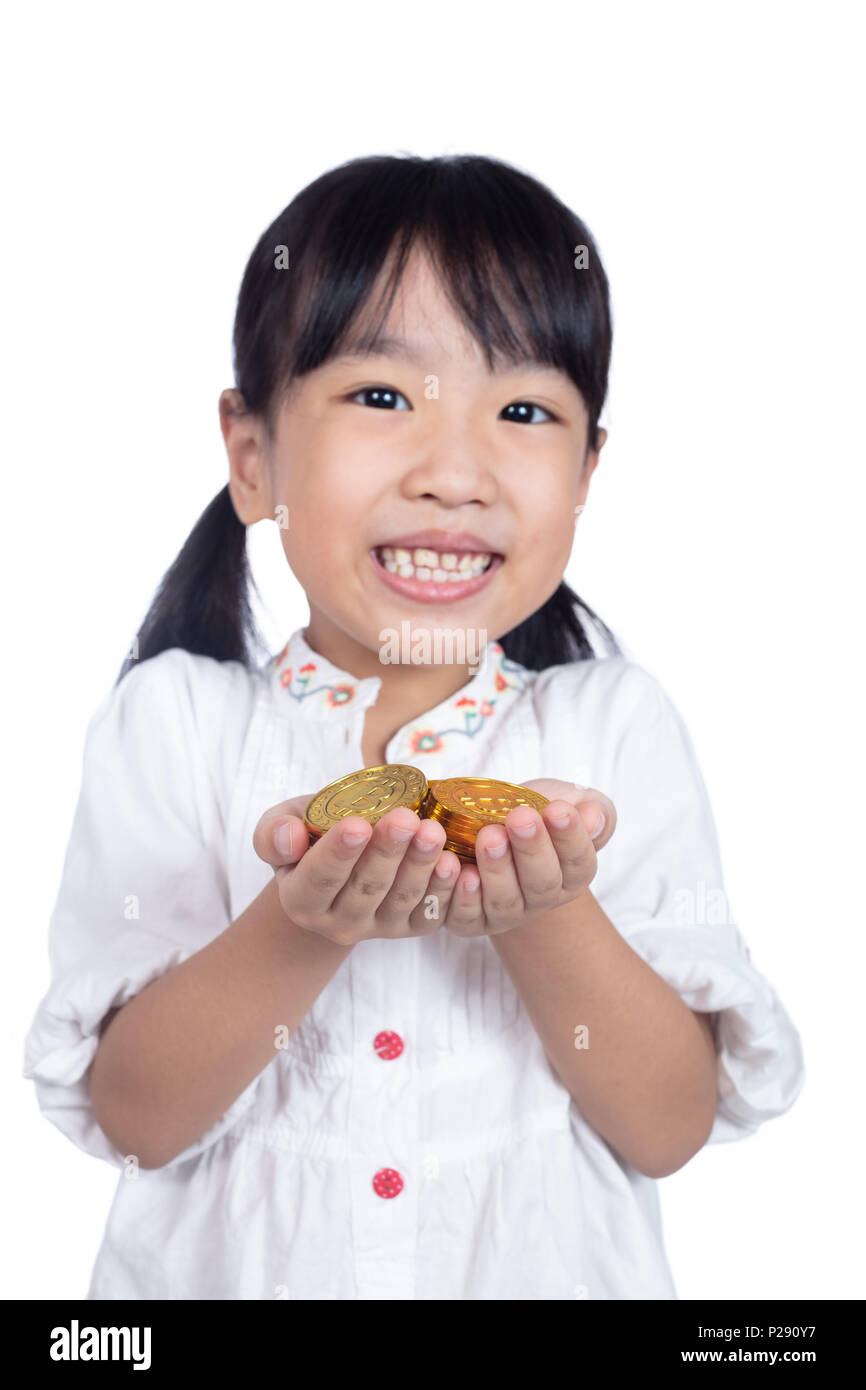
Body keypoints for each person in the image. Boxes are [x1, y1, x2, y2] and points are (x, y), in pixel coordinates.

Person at [22, 153, 805, 1300]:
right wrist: (299, 926)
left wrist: (546, 913)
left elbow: (665, 1128)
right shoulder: (176, 725)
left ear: (587, 473)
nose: (455, 471)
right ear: (253, 458)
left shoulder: (610, 730)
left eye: (525, 409)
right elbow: (138, 1119)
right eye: (383, 396)